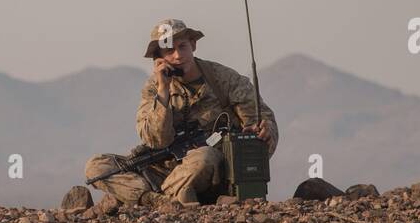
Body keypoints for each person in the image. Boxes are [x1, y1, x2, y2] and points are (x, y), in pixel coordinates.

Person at [84, 18, 278, 205]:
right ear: (158, 59)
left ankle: (148, 198)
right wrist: (163, 91)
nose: (177, 56)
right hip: (163, 172)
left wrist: (264, 130)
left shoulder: (224, 79)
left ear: (193, 44)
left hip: (214, 172)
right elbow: (156, 140)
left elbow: (260, 122)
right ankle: (155, 201)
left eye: (182, 47)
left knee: (203, 157)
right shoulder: (154, 89)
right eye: (169, 51)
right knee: (96, 166)